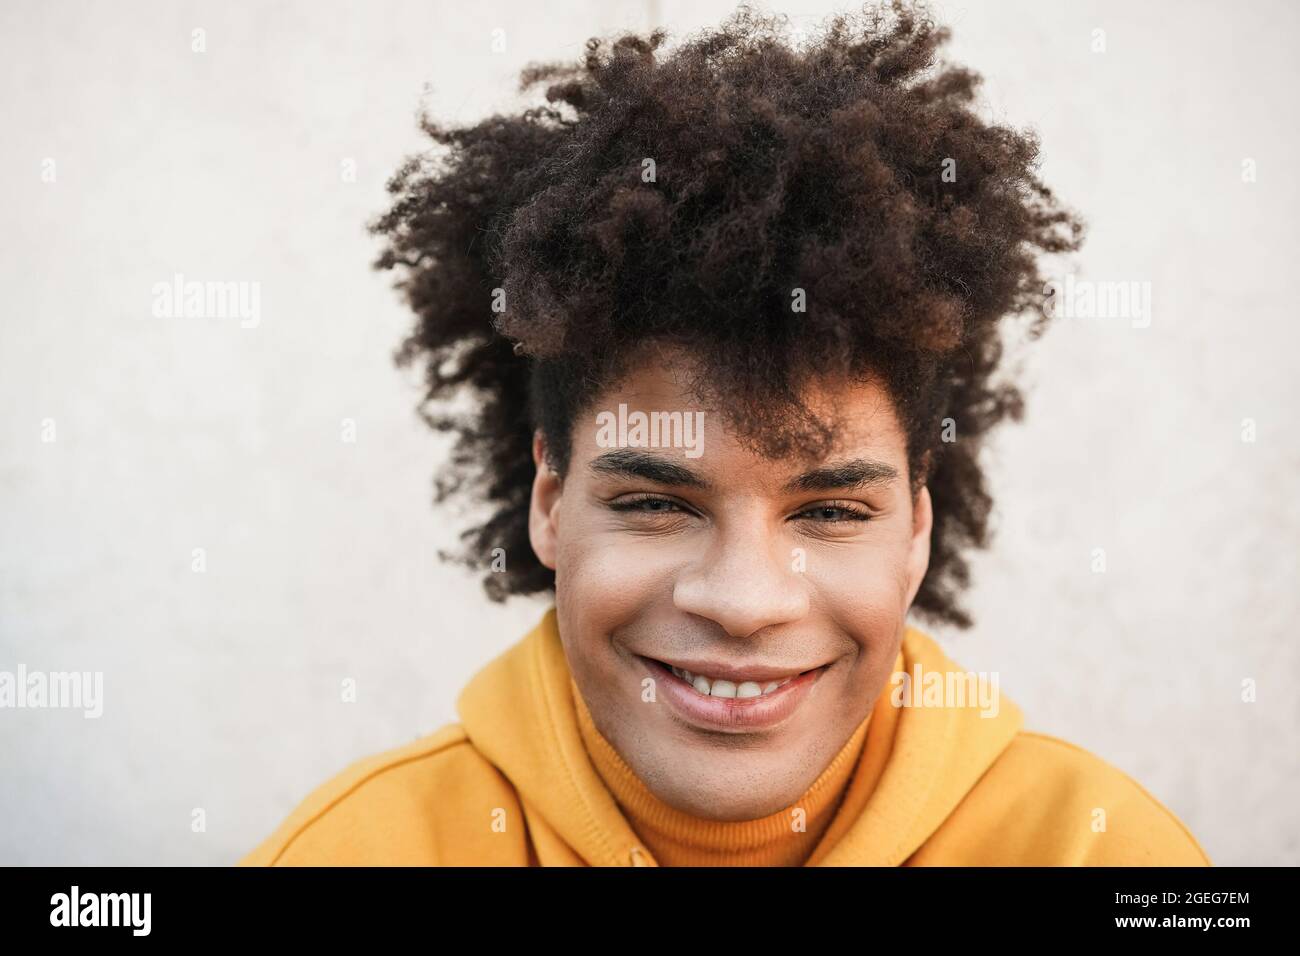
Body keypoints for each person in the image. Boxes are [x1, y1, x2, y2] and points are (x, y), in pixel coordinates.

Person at [241, 2, 1209, 866]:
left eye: (830, 508)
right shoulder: (355, 850)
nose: (744, 603)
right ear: (548, 503)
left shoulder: (1098, 853)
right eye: (657, 502)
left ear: (916, 528)